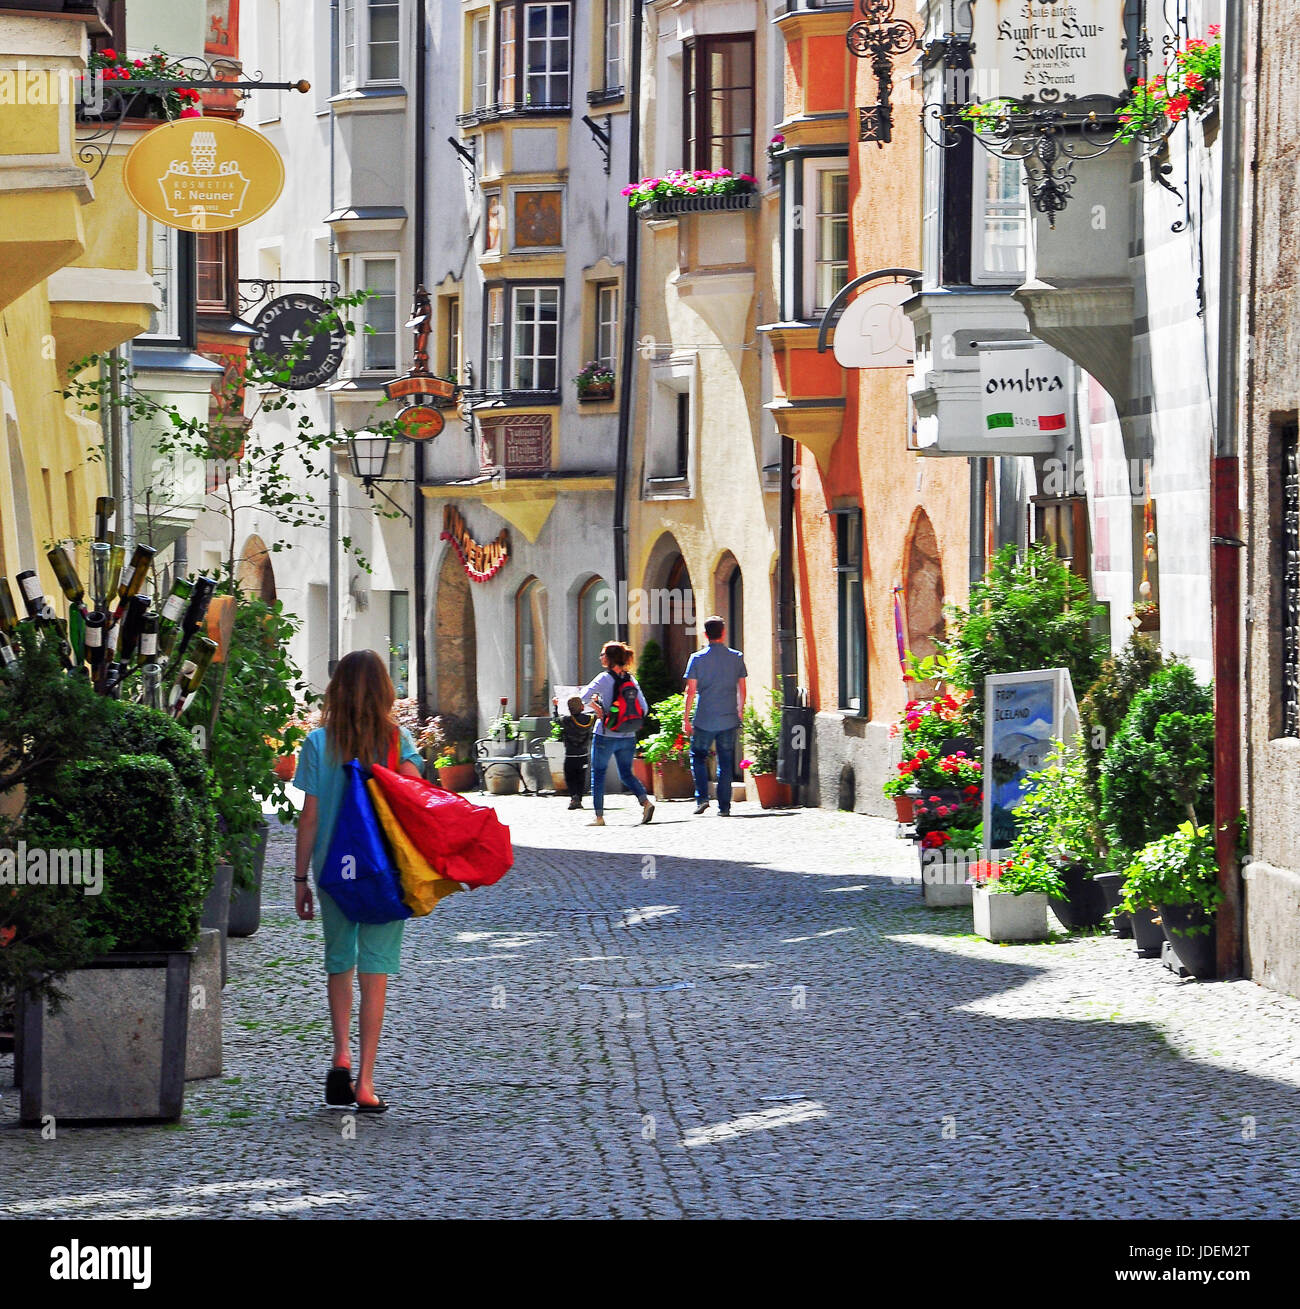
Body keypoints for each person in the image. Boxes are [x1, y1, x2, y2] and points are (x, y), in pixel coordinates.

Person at [293, 650, 424, 1114]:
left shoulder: (317, 743)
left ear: (337, 689)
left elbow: (308, 816)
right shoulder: (396, 740)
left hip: (335, 871)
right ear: (384, 690)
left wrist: (299, 877)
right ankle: (365, 1083)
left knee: (339, 963)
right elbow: (415, 795)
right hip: (384, 874)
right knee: (376, 974)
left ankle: (340, 1054)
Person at [580, 640, 655, 827]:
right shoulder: (631, 680)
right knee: (626, 774)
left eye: (603, 654)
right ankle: (645, 802)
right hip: (628, 735)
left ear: (610, 658)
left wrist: (597, 707)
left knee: (598, 774)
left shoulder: (604, 678)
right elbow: (644, 708)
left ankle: (599, 817)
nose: (600, 657)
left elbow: (582, 697)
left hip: (605, 734)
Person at [683, 616, 747, 816]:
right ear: (724, 632)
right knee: (725, 760)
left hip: (704, 717)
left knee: (698, 756)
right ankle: (724, 807)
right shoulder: (736, 657)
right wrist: (740, 709)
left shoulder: (697, 658)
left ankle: (702, 798)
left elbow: (691, 691)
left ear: (705, 634)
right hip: (728, 716)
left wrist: (686, 718)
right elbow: (742, 688)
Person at [552, 695, 596, 809]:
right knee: (581, 778)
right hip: (583, 754)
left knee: (570, 778)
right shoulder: (589, 719)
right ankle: (579, 799)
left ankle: (574, 797)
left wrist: (555, 706)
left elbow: (556, 720)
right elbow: (599, 715)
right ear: (582, 707)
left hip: (570, 754)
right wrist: (597, 702)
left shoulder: (566, 720)